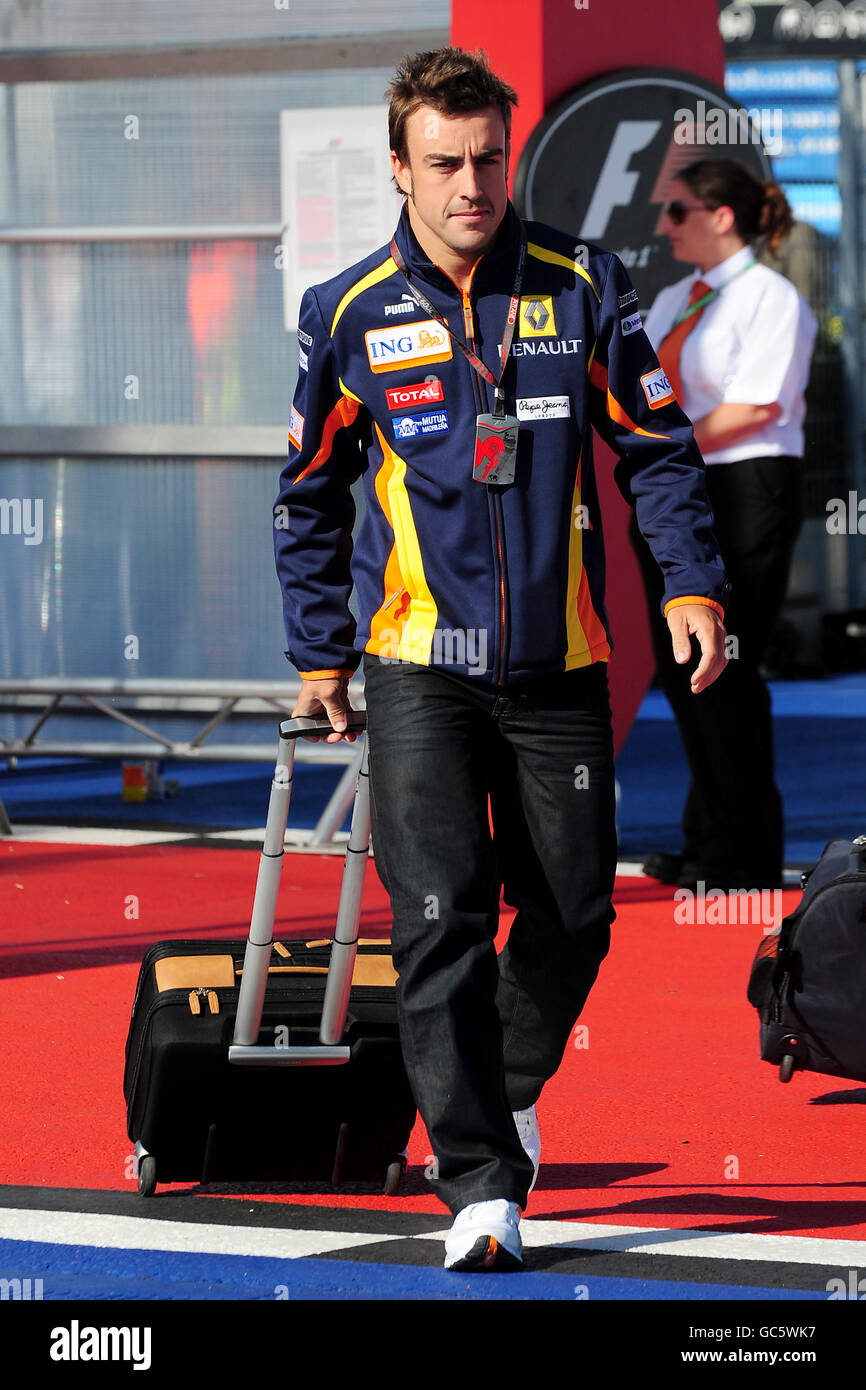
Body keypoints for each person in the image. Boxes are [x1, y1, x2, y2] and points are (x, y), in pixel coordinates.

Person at [274, 47, 728, 1272]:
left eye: (487, 158)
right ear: (398, 169)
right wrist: (319, 649)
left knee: (576, 911)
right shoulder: (346, 307)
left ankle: (505, 1082)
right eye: (444, 163)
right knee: (437, 918)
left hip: (559, 663)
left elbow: (660, 448)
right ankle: (478, 1178)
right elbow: (308, 493)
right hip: (416, 662)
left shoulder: (583, 281)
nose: (472, 183)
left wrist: (686, 581)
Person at [636, 159, 817, 893]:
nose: (663, 225)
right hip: (683, 485)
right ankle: (710, 838)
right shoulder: (679, 294)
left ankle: (744, 854)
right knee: (687, 670)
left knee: (727, 667)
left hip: (747, 484)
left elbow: (756, 407)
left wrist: (661, 451)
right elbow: (639, 392)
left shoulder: (771, 296)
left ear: (720, 217)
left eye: (676, 211)